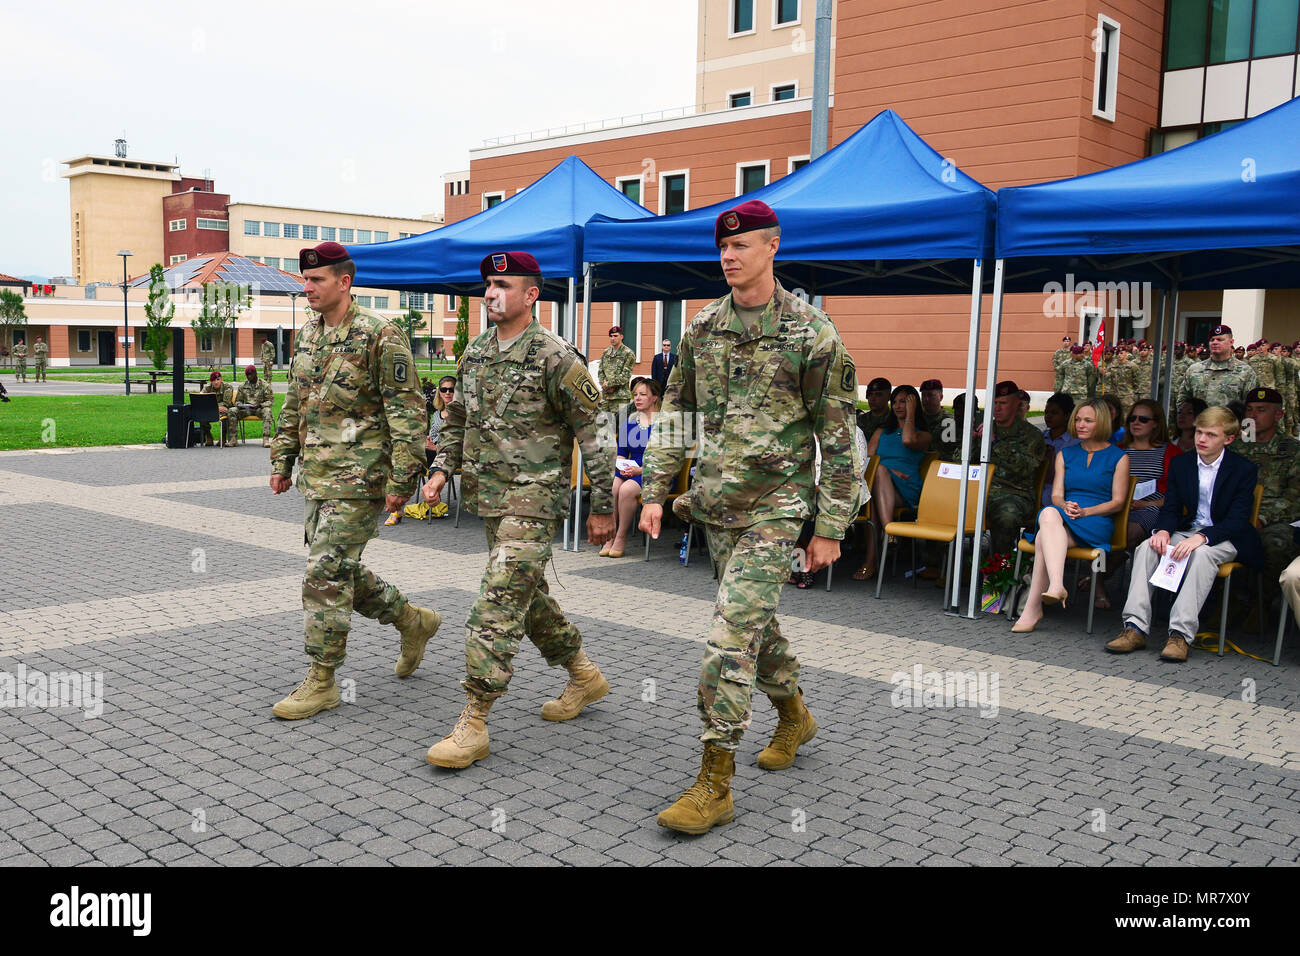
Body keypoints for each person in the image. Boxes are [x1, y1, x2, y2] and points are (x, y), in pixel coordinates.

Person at [639, 199, 858, 835]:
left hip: (776, 510)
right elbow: (675, 414)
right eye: (724, 248)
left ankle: (715, 782)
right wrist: (654, 491)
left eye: (743, 246)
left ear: (773, 247)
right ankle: (795, 714)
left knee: (729, 638)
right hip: (715, 510)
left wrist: (831, 527)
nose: (730, 257)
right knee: (758, 628)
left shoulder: (811, 332)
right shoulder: (703, 327)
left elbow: (839, 437)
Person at [422, 250, 616, 769]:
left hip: (534, 500)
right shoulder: (477, 351)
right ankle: (583, 673)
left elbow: (594, 433)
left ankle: (474, 719)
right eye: (488, 284)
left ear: (532, 295)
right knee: (528, 599)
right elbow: (457, 416)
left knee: (498, 601)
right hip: (490, 497)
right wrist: (442, 467)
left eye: (503, 286)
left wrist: (601, 505)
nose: (491, 293)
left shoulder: (556, 356)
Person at [268, 240, 441, 719]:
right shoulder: (307, 336)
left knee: (323, 572)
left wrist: (402, 480)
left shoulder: (379, 336)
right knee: (340, 570)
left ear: (344, 282)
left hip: (361, 479)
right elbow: (294, 403)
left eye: (316, 280)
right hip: (317, 477)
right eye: (305, 280)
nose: (307, 289)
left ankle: (322, 678)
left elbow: (408, 412)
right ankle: (413, 621)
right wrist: (282, 461)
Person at [1106, 406, 1261, 662]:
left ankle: (1180, 634)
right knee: (1147, 547)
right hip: (1189, 530)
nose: (1201, 439)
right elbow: (1172, 507)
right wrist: (1163, 531)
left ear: (1229, 439)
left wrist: (1202, 538)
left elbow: (1238, 520)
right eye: (1199, 432)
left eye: (1211, 435)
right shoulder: (1182, 463)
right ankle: (1134, 627)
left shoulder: (1243, 469)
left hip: (1226, 536)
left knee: (1201, 555)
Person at [1012, 400, 1130, 633]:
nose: (1081, 424)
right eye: (1078, 419)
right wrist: (1064, 505)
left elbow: (1117, 503)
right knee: (1048, 512)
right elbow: (1056, 494)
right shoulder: (1066, 454)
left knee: (1044, 538)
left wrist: (1086, 511)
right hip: (1064, 514)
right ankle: (1056, 585)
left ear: (1103, 422)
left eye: (1088, 420)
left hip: (1096, 519)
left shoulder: (1119, 457)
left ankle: (1033, 607)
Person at [855, 385, 930, 580]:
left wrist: (911, 414)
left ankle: (873, 558)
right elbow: (868, 461)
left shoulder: (923, 435)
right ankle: (888, 534)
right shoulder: (881, 432)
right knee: (875, 485)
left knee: (876, 485)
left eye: (904, 402)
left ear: (914, 404)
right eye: (895, 402)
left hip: (906, 489)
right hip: (882, 484)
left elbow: (907, 440)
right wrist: (891, 470)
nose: (897, 406)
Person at [1231, 387, 1300, 592]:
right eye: (1249, 410)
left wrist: (1262, 519)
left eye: (1261, 410)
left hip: (1275, 520)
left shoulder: (1292, 450)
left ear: (1278, 415)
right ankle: (1224, 601)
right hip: (1236, 515)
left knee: (1275, 544)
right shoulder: (1236, 447)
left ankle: (1261, 606)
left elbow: (1295, 498)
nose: (1253, 416)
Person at [984, 380, 1046, 555]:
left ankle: (1000, 570)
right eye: (994, 403)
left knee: (1007, 516)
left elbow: (1024, 468)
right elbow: (959, 460)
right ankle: (953, 566)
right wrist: (974, 440)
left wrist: (995, 442)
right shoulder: (983, 428)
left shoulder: (1031, 435)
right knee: (945, 505)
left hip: (1013, 494)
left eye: (1003, 403)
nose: (997, 408)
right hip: (980, 491)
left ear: (1016, 405)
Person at [602, 376, 660, 559]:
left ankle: (620, 537)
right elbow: (621, 451)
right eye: (635, 395)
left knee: (626, 489)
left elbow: (663, 460)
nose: (637, 398)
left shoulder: (663, 424)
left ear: (654, 398)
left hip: (653, 472)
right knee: (613, 487)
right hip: (630, 469)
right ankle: (609, 535)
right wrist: (621, 465)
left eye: (643, 394)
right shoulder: (631, 421)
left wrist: (640, 470)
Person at [388, 374, 456, 526]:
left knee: (413, 458)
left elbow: (460, 443)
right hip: (431, 452)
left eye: (451, 390)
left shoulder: (460, 414)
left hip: (449, 456)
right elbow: (432, 434)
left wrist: (436, 447)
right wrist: (427, 442)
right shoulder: (437, 414)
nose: (447, 393)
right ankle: (397, 507)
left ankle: (403, 503)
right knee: (408, 456)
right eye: (444, 389)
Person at [1179, 324, 1258, 408]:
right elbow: (1183, 400)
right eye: (1212, 340)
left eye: (1220, 340)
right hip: (1200, 420)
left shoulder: (1245, 371)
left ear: (1231, 342)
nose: (1215, 343)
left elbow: (1251, 406)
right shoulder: (1194, 369)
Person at [1040, 392, 1079, 508]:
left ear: (1067, 415)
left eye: (1054, 413)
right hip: (1038, 487)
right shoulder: (1040, 438)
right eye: (1046, 412)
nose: (1048, 416)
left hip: (1062, 491)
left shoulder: (1075, 442)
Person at [234, 364, 274, 448]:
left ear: (255, 373)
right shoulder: (243, 386)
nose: (249, 377)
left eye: (250, 374)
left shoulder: (264, 385)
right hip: (246, 409)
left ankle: (266, 439)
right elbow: (238, 401)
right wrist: (240, 405)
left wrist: (260, 405)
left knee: (267, 411)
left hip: (259, 409)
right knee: (231, 411)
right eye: (247, 375)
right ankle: (233, 439)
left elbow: (270, 401)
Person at [598, 325, 636, 415]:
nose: (612, 338)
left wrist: (608, 385)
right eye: (611, 336)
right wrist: (603, 385)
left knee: (620, 426)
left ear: (621, 337)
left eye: (615, 336)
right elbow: (600, 371)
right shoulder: (606, 352)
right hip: (606, 397)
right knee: (604, 425)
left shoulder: (628, 353)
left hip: (620, 397)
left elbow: (625, 376)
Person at [202, 369, 237, 447]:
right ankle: (209, 436)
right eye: (213, 380)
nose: (216, 382)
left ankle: (223, 438)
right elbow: (201, 400)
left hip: (224, 409)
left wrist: (211, 406)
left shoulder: (228, 387)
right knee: (201, 414)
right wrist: (215, 407)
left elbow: (226, 403)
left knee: (225, 414)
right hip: (213, 410)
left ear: (221, 379)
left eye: (218, 379)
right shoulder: (207, 388)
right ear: (211, 381)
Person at [857, 377, 891, 443]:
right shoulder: (860, 421)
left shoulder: (895, 421)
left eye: (878, 395)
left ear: (889, 397)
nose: (873, 399)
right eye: (870, 394)